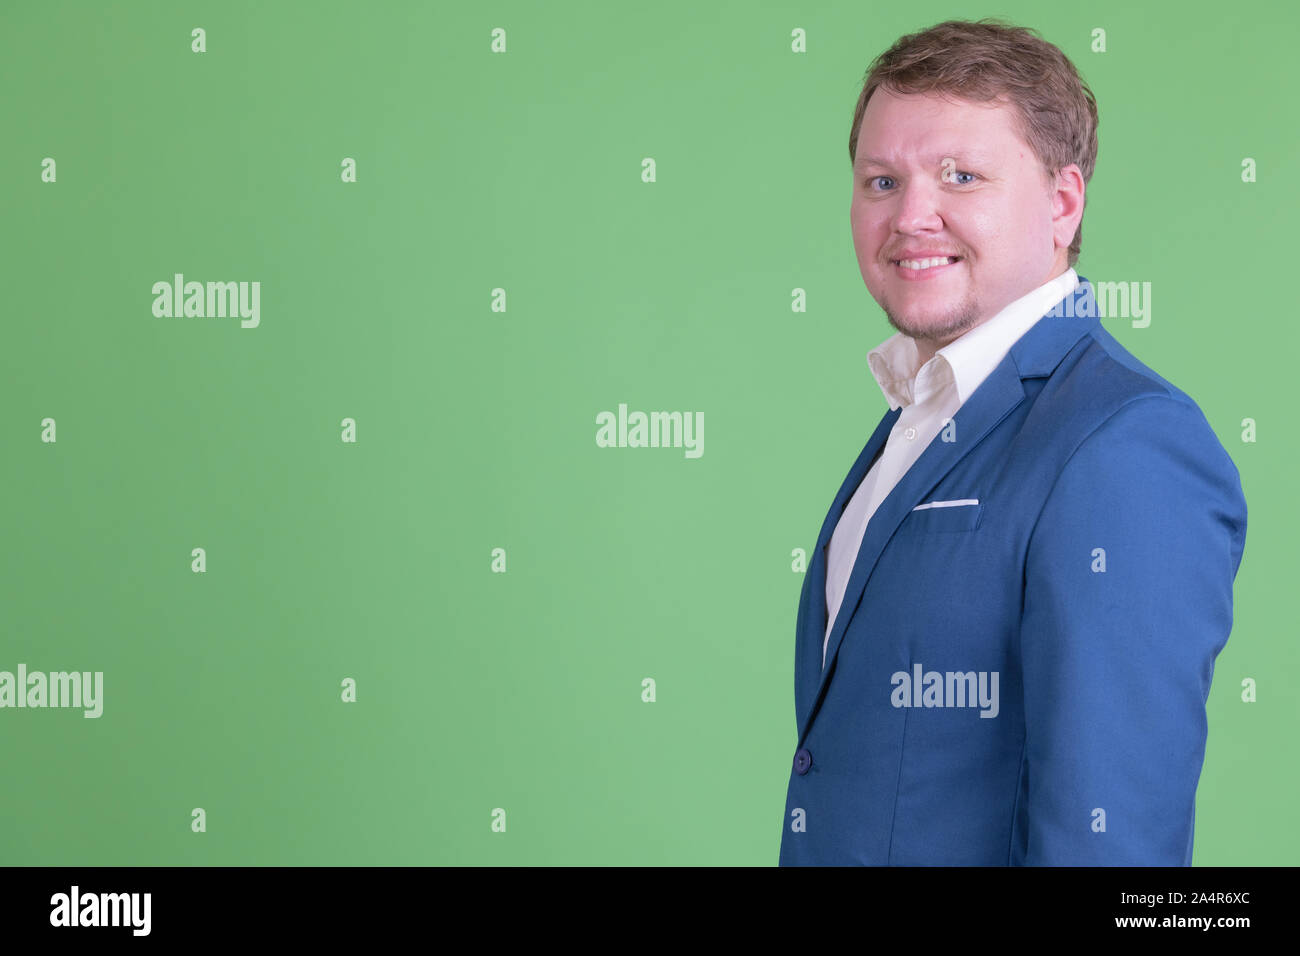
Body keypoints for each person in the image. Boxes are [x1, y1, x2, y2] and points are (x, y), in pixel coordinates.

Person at [779, 18, 1247, 866]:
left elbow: (1115, 845)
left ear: (1063, 203)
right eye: (882, 180)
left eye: (961, 176)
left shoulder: (1124, 445)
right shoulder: (916, 416)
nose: (913, 215)